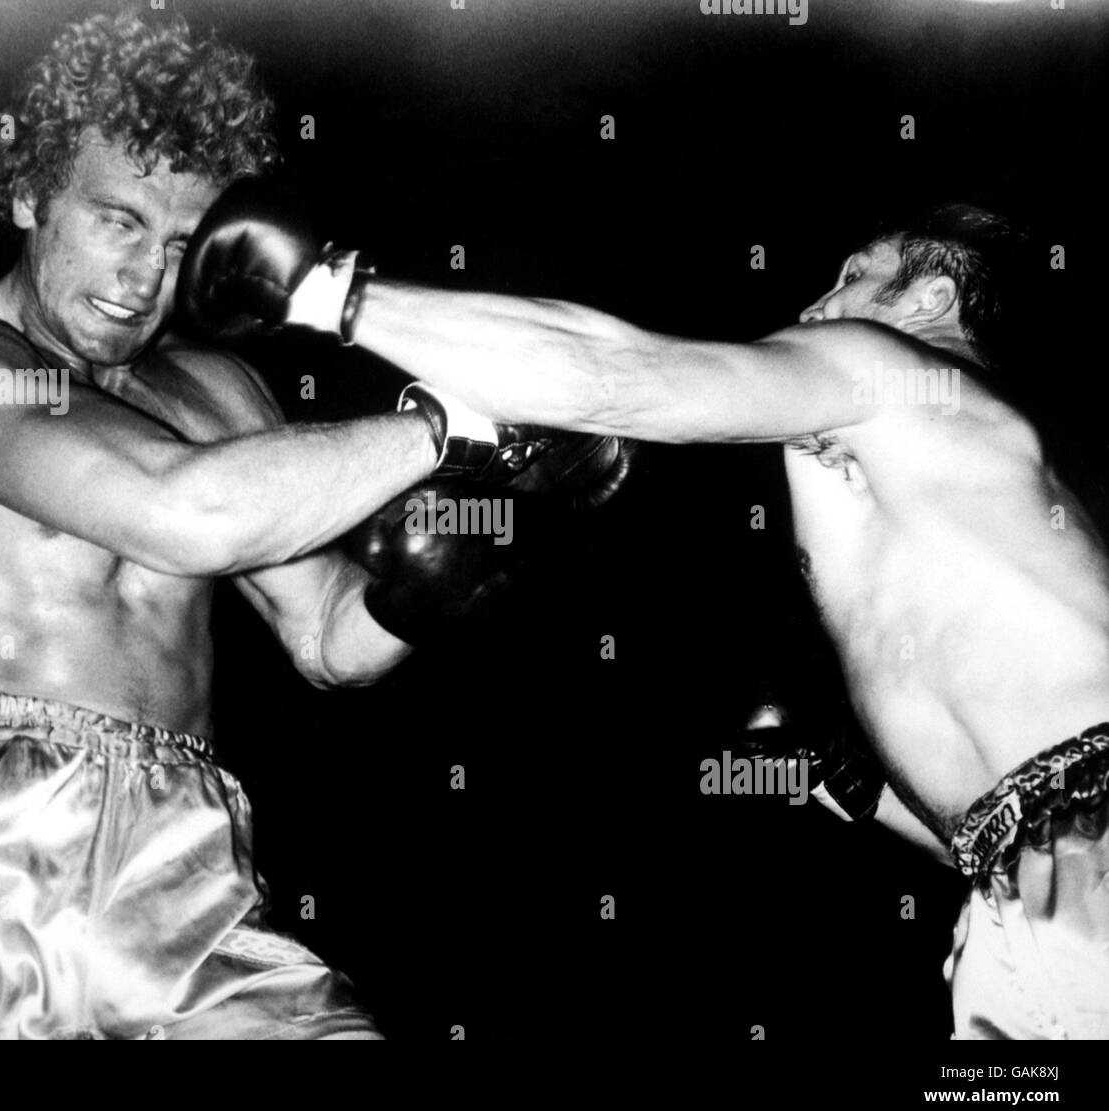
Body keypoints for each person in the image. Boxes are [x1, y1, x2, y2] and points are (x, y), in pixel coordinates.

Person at [0, 12, 628, 1040]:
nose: (145, 278)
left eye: (183, 242)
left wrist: (456, 550)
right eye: (117, 219)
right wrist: (463, 425)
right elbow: (185, 510)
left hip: (181, 862)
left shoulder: (217, 393)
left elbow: (328, 638)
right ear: (26, 191)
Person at [191, 192, 1109, 1039]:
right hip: (1017, 902)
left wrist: (326, 291)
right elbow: (1014, 818)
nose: (822, 297)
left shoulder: (893, 373)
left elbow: (617, 375)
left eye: (858, 271)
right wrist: (843, 781)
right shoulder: (935, 471)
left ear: (930, 294)